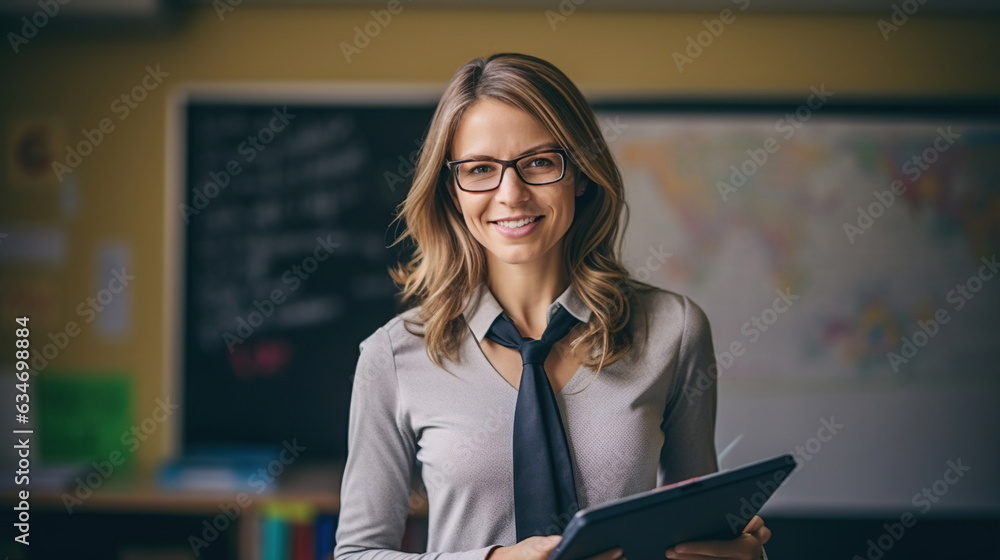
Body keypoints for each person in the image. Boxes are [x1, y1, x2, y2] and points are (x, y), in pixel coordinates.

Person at [334, 53, 771, 560]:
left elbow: (695, 531)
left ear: (580, 173)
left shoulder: (674, 329)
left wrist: (741, 556)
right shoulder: (391, 356)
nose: (511, 194)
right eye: (480, 169)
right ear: (452, 190)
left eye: (540, 162)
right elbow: (358, 554)